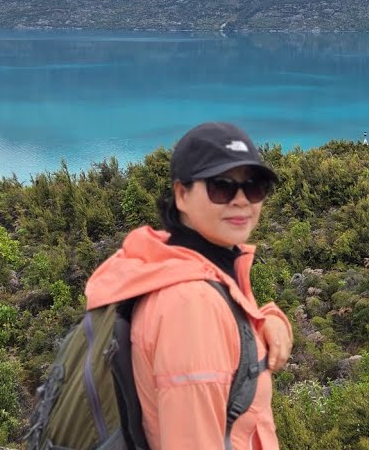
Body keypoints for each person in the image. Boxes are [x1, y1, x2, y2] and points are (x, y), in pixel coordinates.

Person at [85, 121, 293, 449]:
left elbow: (230, 338)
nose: (241, 201)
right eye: (221, 186)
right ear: (182, 195)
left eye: (255, 187)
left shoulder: (188, 265)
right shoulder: (191, 306)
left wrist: (268, 320)